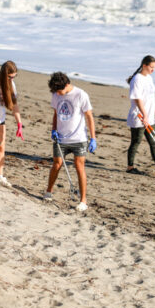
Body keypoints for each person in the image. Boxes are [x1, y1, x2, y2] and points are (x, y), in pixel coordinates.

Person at [43, 72, 96, 211]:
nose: (58, 94)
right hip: (61, 138)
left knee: (79, 167)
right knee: (57, 164)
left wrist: (93, 138)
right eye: (56, 92)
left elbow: (89, 116)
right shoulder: (56, 94)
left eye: (60, 91)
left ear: (67, 85)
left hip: (79, 139)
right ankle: (48, 191)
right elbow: (56, 114)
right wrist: (53, 130)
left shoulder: (80, 95)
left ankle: (83, 201)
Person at [125, 55, 155, 178]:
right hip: (139, 116)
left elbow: (150, 98)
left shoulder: (149, 78)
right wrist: (145, 115)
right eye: (151, 67)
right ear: (144, 65)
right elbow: (137, 99)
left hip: (149, 116)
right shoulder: (137, 79)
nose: (153, 69)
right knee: (136, 142)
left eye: (154, 67)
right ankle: (130, 167)